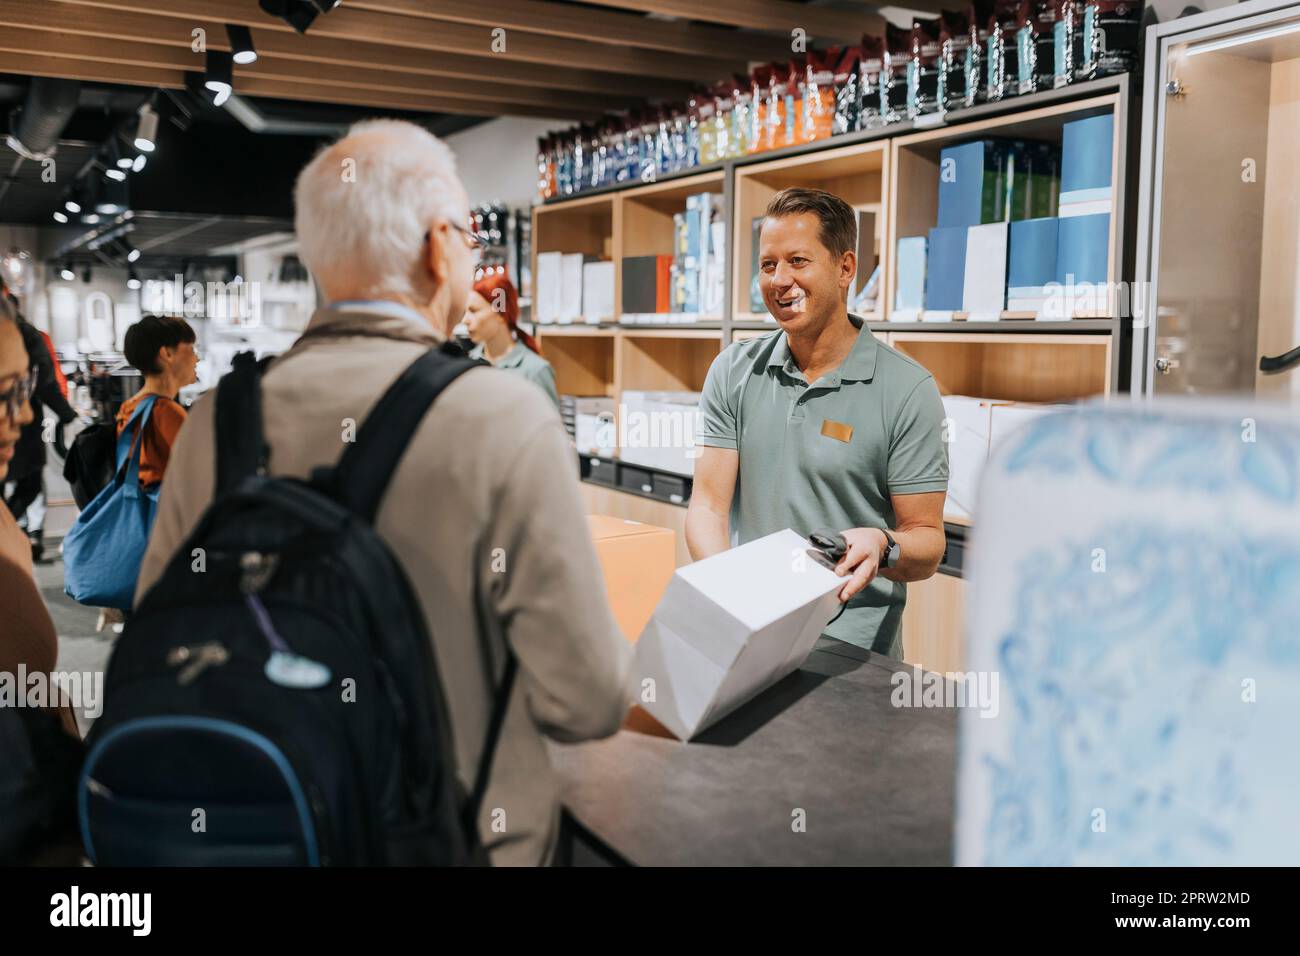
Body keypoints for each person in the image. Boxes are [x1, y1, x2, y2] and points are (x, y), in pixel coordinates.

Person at [135, 119, 631, 866]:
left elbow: (157, 623)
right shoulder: (501, 415)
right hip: (456, 843)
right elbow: (587, 701)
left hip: (266, 832)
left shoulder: (217, 421)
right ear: (438, 246)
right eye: (468, 236)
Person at [686, 187, 950, 658]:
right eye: (768, 265)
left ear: (846, 268)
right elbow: (707, 506)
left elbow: (927, 542)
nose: (780, 280)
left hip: (853, 652)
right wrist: (729, 594)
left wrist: (883, 543)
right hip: (755, 633)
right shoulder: (733, 371)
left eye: (798, 261)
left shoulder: (908, 390)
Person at [2, 290, 76, 564]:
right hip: (26, 442)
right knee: (30, 482)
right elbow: (45, 382)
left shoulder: (28, 336)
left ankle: (20, 533)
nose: (21, 414)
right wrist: (67, 414)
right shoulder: (27, 335)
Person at [116, 314, 198, 488]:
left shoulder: (129, 406)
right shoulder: (166, 412)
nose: (196, 358)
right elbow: (199, 471)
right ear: (166, 353)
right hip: (166, 511)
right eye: (190, 348)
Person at [464, 271, 560, 409]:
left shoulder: (535, 371)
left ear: (500, 314)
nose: (465, 320)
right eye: (465, 312)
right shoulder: (468, 363)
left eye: (474, 311)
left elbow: (550, 428)